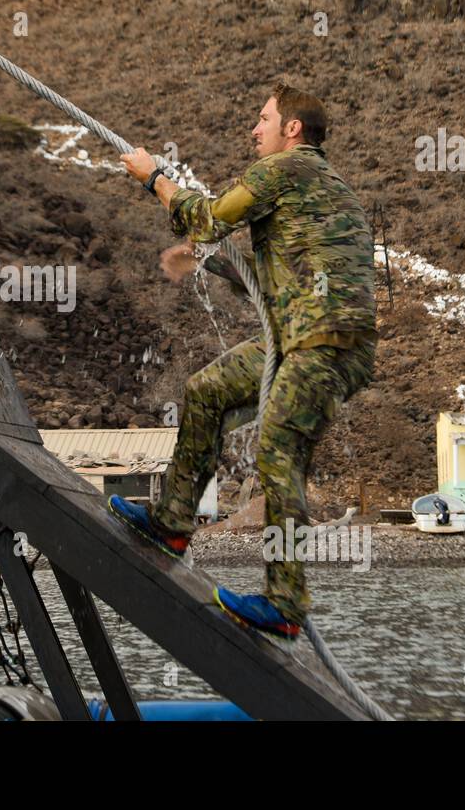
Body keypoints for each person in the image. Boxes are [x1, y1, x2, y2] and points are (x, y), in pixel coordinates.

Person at [112, 81, 377, 640]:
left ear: (293, 129)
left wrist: (153, 178)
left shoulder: (284, 171)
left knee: (279, 451)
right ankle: (173, 525)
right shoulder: (327, 189)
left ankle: (285, 604)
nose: (254, 129)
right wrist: (205, 265)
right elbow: (275, 276)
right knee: (207, 389)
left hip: (320, 344)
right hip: (300, 337)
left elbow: (207, 218)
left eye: (263, 119)